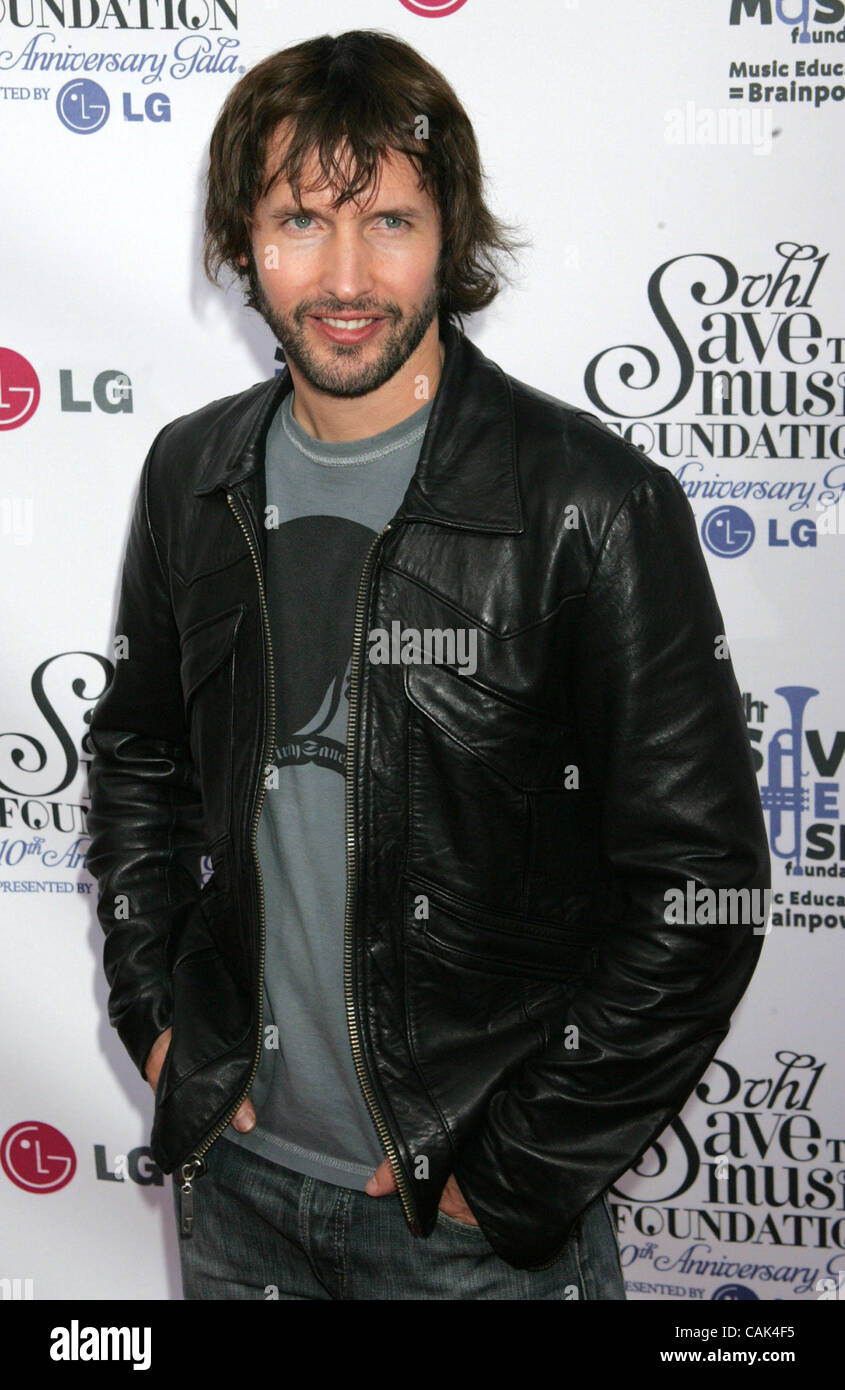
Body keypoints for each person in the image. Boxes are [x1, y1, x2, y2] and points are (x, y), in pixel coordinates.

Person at [86, 29, 770, 1302]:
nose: (345, 275)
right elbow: (135, 750)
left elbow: (698, 884)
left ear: (449, 235)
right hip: (235, 1196)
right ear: (243, 239)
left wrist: (507, 1174)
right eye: (300, 219)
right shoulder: (194, 472)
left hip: (468, 1230)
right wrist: (157, 1016)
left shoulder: (590, 502)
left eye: (389, 220)